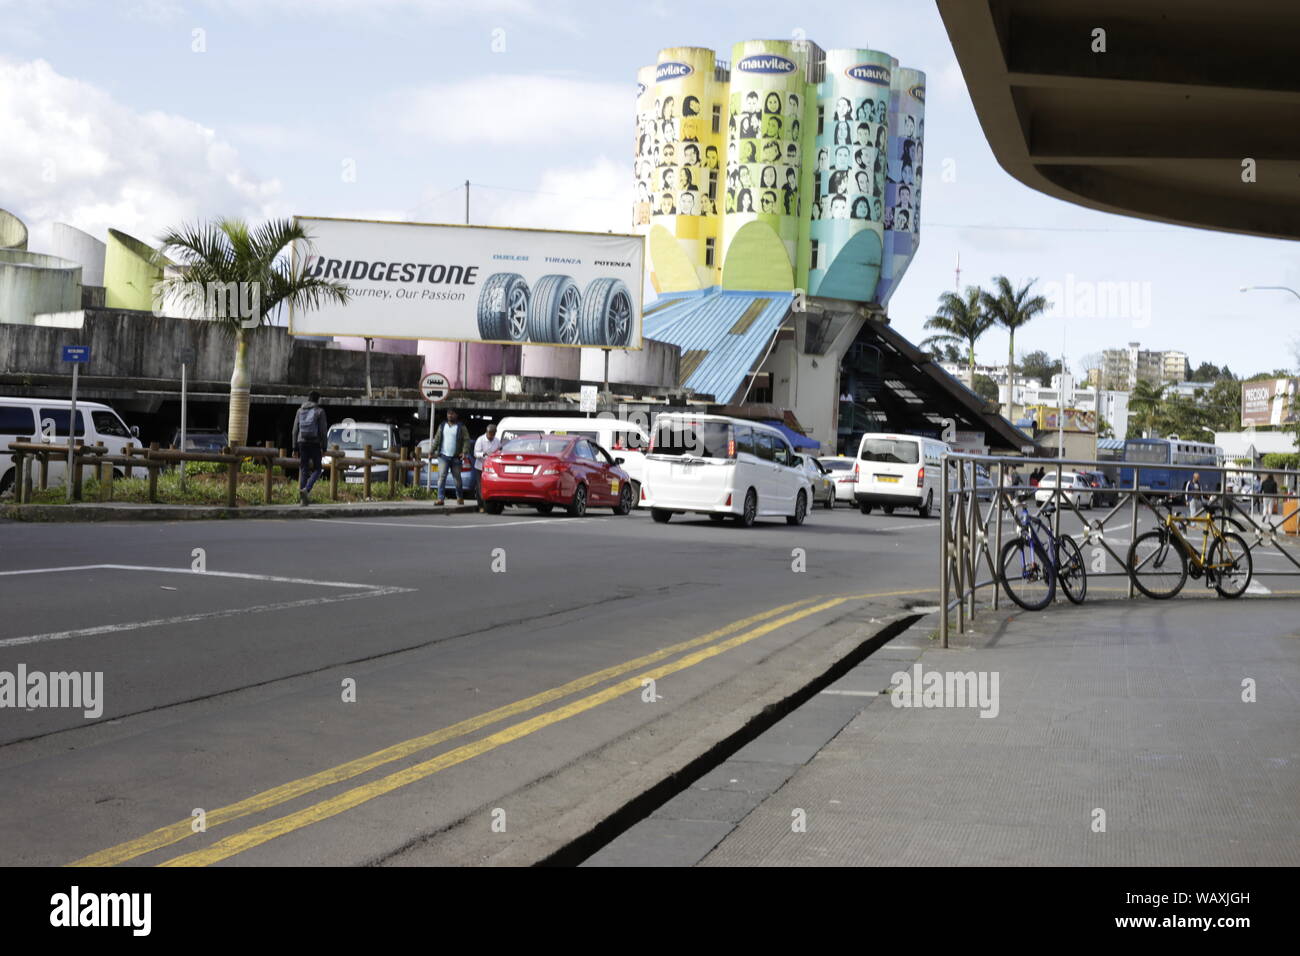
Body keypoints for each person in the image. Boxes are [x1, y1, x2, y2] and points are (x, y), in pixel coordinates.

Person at [292, 391, 328, 506]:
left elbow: (294, 430)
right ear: (318, 400)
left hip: (301, 442)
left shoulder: (300, 410)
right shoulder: (319, 411)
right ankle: (306, 489)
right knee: (318, 469)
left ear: (308, 399)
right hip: (314, 443)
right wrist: (324, 447)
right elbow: (323, 431)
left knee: (304, 469)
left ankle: (303, 500)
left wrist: (294, 448)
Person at [432, 409, 471, 505]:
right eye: (448, 413)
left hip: (456, 457)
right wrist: (431, 451)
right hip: (443, 456)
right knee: (441, 477)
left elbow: (466, 440)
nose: (450, 415)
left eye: (452, 413)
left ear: (456, 415)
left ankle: (460, 497)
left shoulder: (461, 427)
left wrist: (464, 452)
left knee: (457, 479)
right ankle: (440, 499)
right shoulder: (442, 426)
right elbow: (437, 439)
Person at [472, 423, 500, 508]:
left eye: (493, 434)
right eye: (490, 434)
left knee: (491, 487)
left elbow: (499, 449)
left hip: (491, 468)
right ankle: (481, 506)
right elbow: (475, 454)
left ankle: (489, 505)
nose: (491, 436)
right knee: (480, 487)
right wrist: (483, 454)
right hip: (480, 467)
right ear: (487, 432)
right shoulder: (480, 440)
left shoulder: (497, 441)